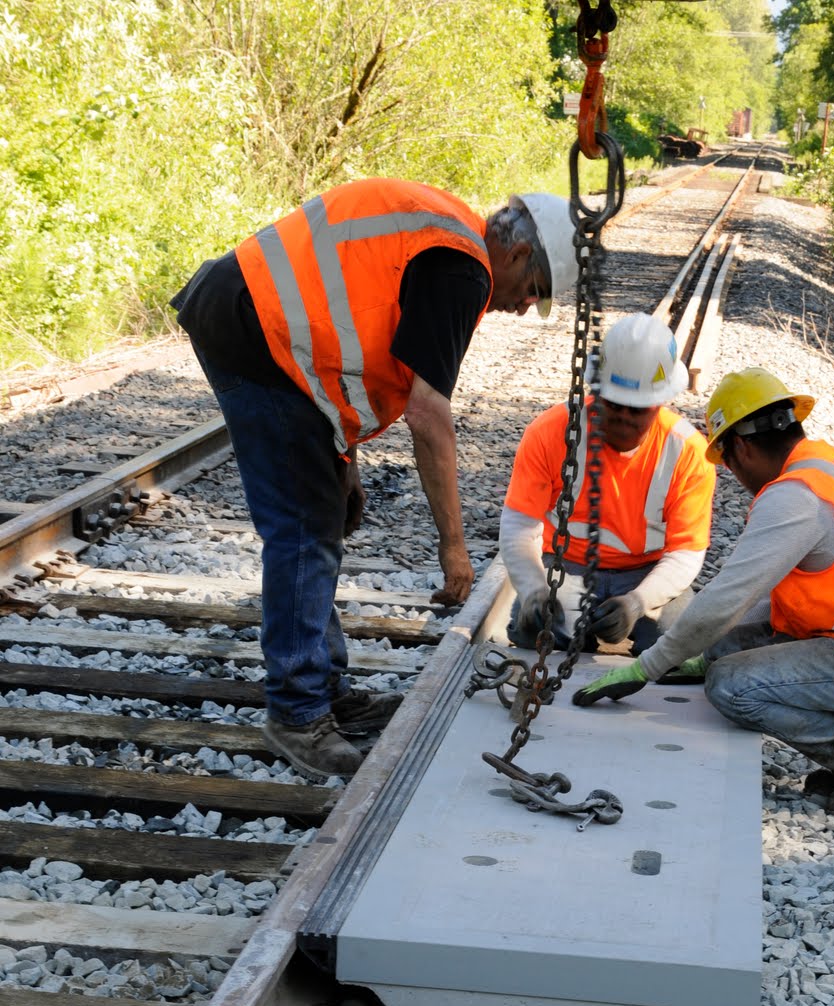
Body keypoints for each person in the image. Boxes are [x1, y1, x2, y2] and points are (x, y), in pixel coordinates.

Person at [172, 182, 577, 779]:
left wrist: (345, 459)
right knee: (304, 528)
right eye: (532, 292)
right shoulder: (461, 268)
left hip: (258, 322)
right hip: (256, 332)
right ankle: (297, 711)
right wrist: (454, 548)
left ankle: (324, 687)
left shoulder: (446, 238)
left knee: (321, 513)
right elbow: (428, 415)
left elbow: (341, 336)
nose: (521, 307)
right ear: (518, 256)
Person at [574, 367, 834, 819]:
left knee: (732, 686)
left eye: (730, 462)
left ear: (739, 447)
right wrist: (704, 650)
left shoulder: (795, 497)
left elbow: (725, 599)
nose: (735, 475)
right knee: (717, 648)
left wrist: (648, 667)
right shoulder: (827, 467)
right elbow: (762, 597)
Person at [500, 313, 714, 655]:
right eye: (614, 406)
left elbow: (686, 554)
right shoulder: (550, 433)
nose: (624, 420)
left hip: (646, 575)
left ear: (661, 402)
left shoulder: (688, 452)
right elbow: (518, 526)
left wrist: (637, 602)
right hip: (568, 567)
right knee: (536, 633)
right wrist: (534, 591)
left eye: (638, 410)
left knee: (681, 643)